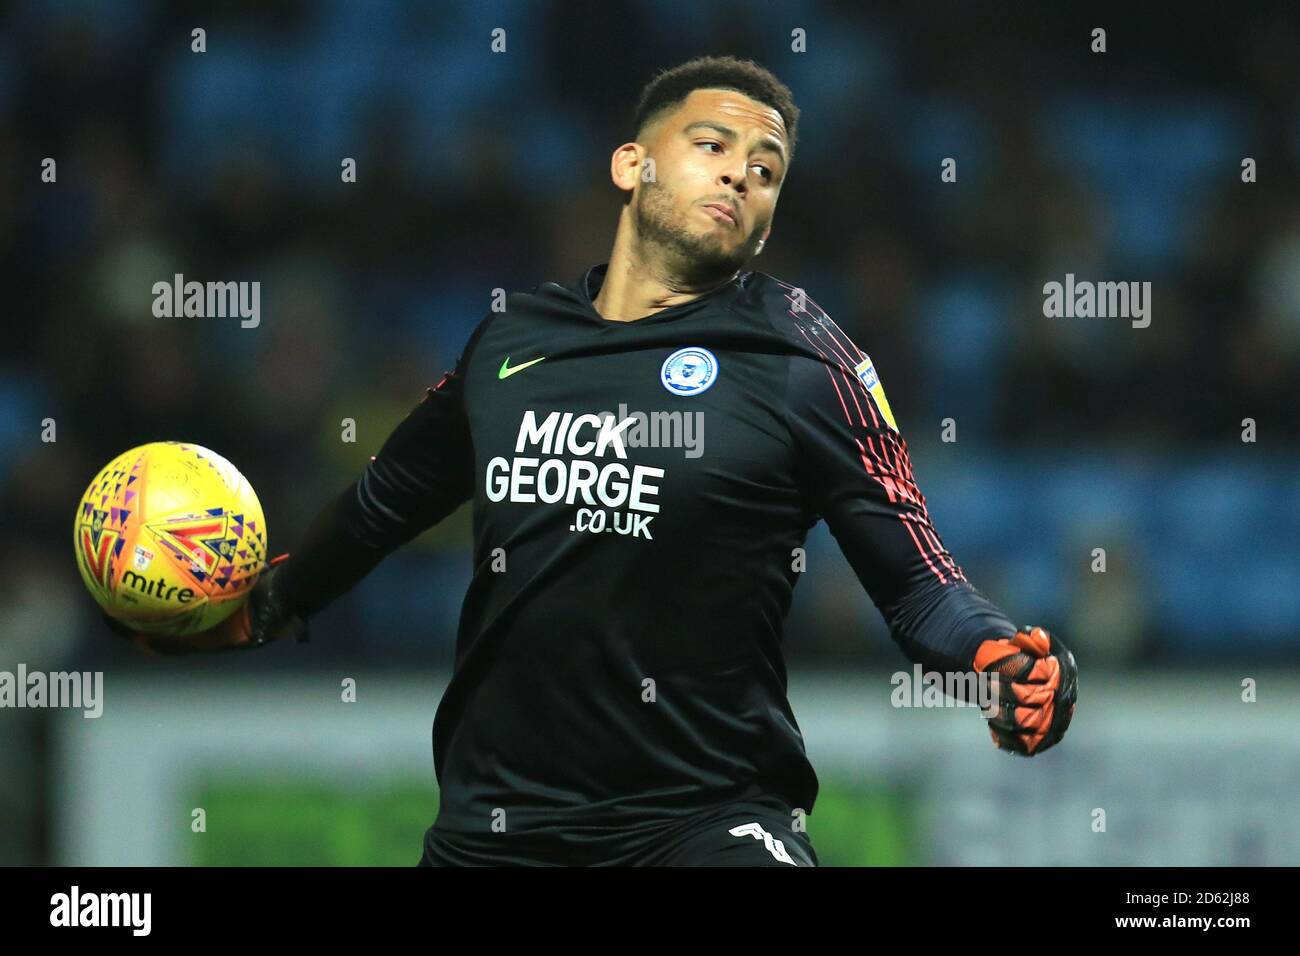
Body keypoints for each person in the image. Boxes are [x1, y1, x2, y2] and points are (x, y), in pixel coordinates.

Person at [110, 56, 1077, 866]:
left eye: (768, 168)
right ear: (630, 165)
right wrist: (265, 609)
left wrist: (996, 656)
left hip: (705, 823)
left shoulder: (806, 360)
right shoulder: (510, 341)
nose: (742, 175)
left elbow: (918, 584)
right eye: (713, 146)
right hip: (496, 830)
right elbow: (381, 507)